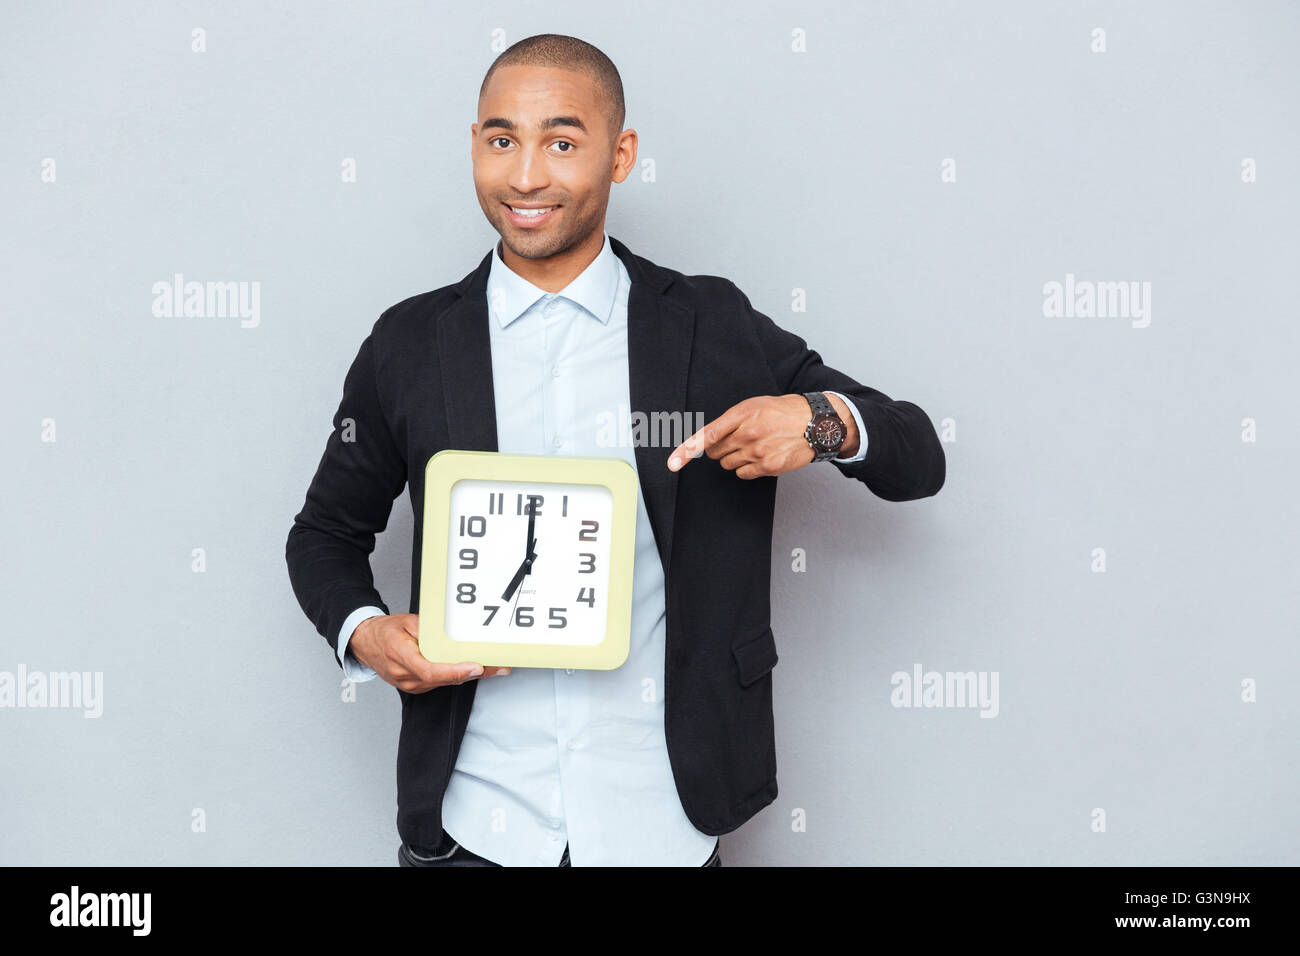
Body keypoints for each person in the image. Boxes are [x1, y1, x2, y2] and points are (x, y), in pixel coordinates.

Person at [285, 33, 945, 867]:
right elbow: (323, 534)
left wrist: (816, 422)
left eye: (562, 142)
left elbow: (918, 454)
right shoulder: (409, 343)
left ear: (620, 154)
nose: (525, 176)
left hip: (662, 824)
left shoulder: (710, 327)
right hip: (474, 824)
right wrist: (366, 633)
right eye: (501, 140)